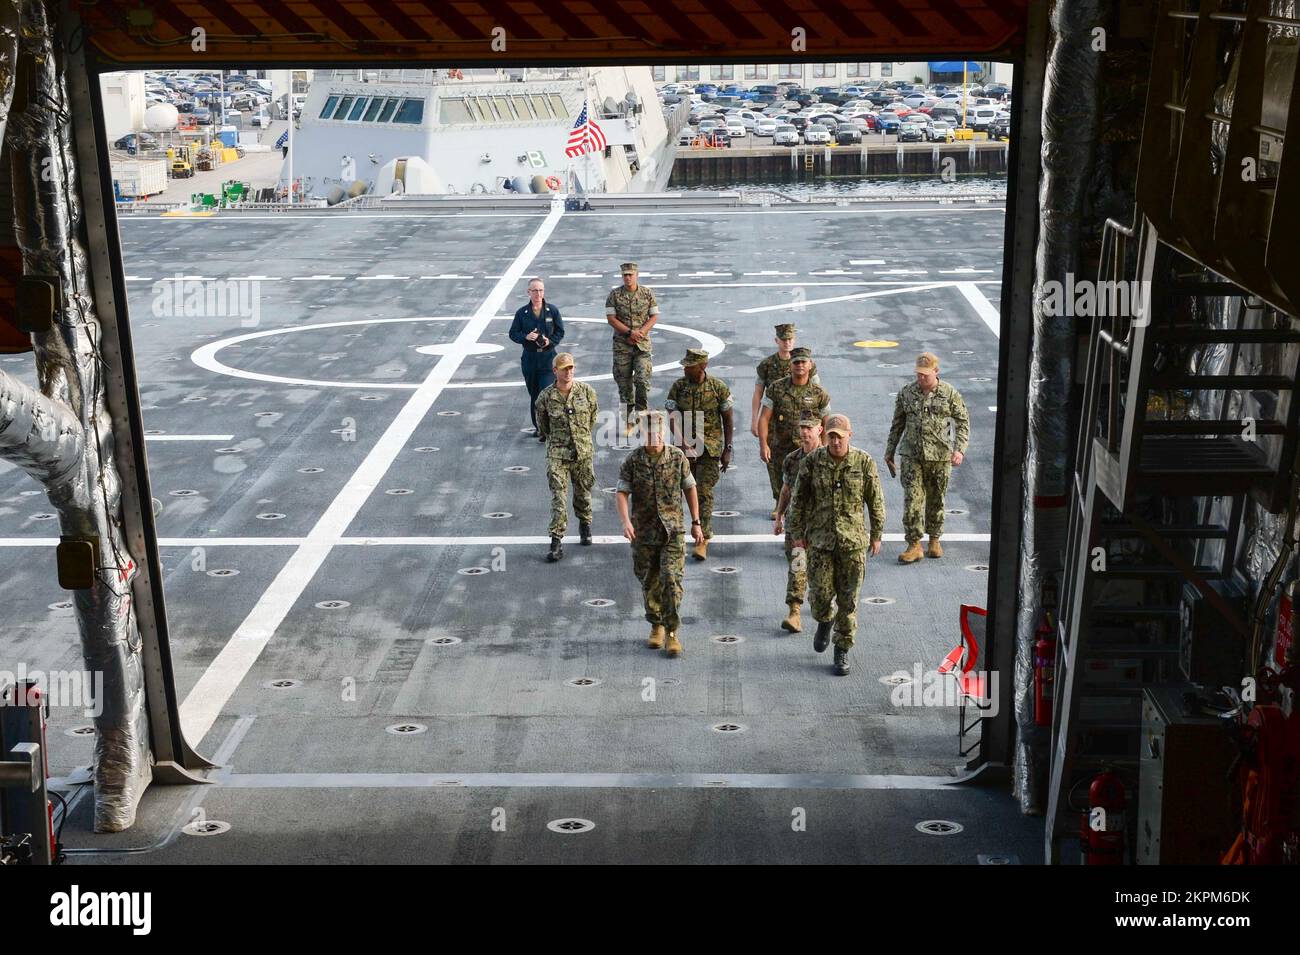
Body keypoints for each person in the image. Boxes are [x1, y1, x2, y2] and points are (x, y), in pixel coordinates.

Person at [787, 414, 886, 676]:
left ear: (849, 436)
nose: (835, 441)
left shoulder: (863, 462)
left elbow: (875, 500)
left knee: (849, 600)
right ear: (825, 436)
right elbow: (798, 499)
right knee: (820, 594)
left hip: (852, 544)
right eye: (831, 436)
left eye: (839, 437)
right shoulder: (812, 462)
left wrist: (877, 534)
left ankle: (842, 648)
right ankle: (824, 620)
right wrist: (796, 532)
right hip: (820, 542)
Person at [616, 410, 705, 657]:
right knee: (649, 580)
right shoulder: (633, 461)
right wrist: (625, 522)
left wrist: (696, 522)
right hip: (643, 533)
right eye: (649, 432)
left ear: (664, 432)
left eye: (658, 431)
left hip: (672, 531)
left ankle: (672, 632)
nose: (654, 436)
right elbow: (622, 493)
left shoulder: (677, 458)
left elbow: (690, 489)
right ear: (643, 433)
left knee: (671, 579)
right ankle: (655, 624)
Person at [884, 352, 970, 563]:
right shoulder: (906, 393)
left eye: (925, 374)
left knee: (936, 499)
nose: (921, 378)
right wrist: (890, 451)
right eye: (919, 374)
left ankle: (934, 539)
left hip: (939, 456)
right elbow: (897, 424)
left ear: (936, 371)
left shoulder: (949, 394)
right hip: (912, 455)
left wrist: (959, 450)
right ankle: (914, 544)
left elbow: (962, 422)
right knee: (912, 499)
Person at [665, 348, 734, 561]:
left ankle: (702, 539)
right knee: (675, 493)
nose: (685, 369)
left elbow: (728, 420)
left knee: (703, 492)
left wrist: (727, 449)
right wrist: (684, 444)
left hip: (709, 449)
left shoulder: (718, 388)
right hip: (682, 451)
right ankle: (674, 537)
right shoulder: (678, 387)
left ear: (703, 366)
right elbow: (671, 415)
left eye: (690, 365)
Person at [535, 353, 598, 562]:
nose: (568, 371)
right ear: (555, 371)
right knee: (558, 498)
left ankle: (585, 524)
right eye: (564, 368)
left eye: (571, 368)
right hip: (557, 454)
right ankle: (556, 540)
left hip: (582, 452)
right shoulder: (545, 397)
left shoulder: (586, 392)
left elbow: (592, 418)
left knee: (583, 492)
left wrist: (581, 439)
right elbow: (542, 425)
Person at [757, 346, 830, 520]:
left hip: (809, 448)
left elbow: (827, 423)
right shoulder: (776, 388)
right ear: (790, 365)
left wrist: (825, 449)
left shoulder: (819, 393)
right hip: (780, 444)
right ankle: (780, 504)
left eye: (803, 362)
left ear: (810, 365)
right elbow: (764, 418)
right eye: (796, 362)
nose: (800, 365)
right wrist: (763, 444)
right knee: (780, 480)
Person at [772, 412, 822, 633]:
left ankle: (822, 605)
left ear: (820, 429)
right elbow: (786, 489)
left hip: (822, 525)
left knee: (821, 573)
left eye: (809, 427)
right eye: (802, 427)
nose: (804, 431)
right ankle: (794, 612)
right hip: (797, 524)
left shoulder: (829, 457)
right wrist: (779, 516)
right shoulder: (792, 459)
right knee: (797, 566)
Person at [605, 262, 659, 432]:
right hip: (622, 346)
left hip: (642, 346)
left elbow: (654, 315)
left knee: (642, 380)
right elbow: (611, 319)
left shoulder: (647, 293)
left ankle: (641, 414)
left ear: (636, 275)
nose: (627, 278)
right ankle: (627, 421)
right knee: (624, 385)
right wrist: (629, 333)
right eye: (625, 275)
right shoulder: (614, 295)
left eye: (630, 274)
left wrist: (641, 332)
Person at [509, 277, 564, 439]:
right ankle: (538, 426)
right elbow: (513, 333)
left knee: (546, 393)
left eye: (540, 290)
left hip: (548, 359)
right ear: (528, 292)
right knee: (534, 394)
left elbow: (560, 331)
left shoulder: (552, 311)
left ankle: (547, 429)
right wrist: (526, 337)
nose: (538, 293)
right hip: (530, 359)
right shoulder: (522, 313)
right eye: (534, 290)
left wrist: (550, 341)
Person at [751, 322, 820, 440]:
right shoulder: (767, 364)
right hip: (775, 422)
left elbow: (817, 393)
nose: (787, 343)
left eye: (790, 339)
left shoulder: (807, 364)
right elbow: (758, 393)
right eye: (783, 340)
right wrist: (754, 419)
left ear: (794, 340)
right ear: (776, 341)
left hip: (802, 421)